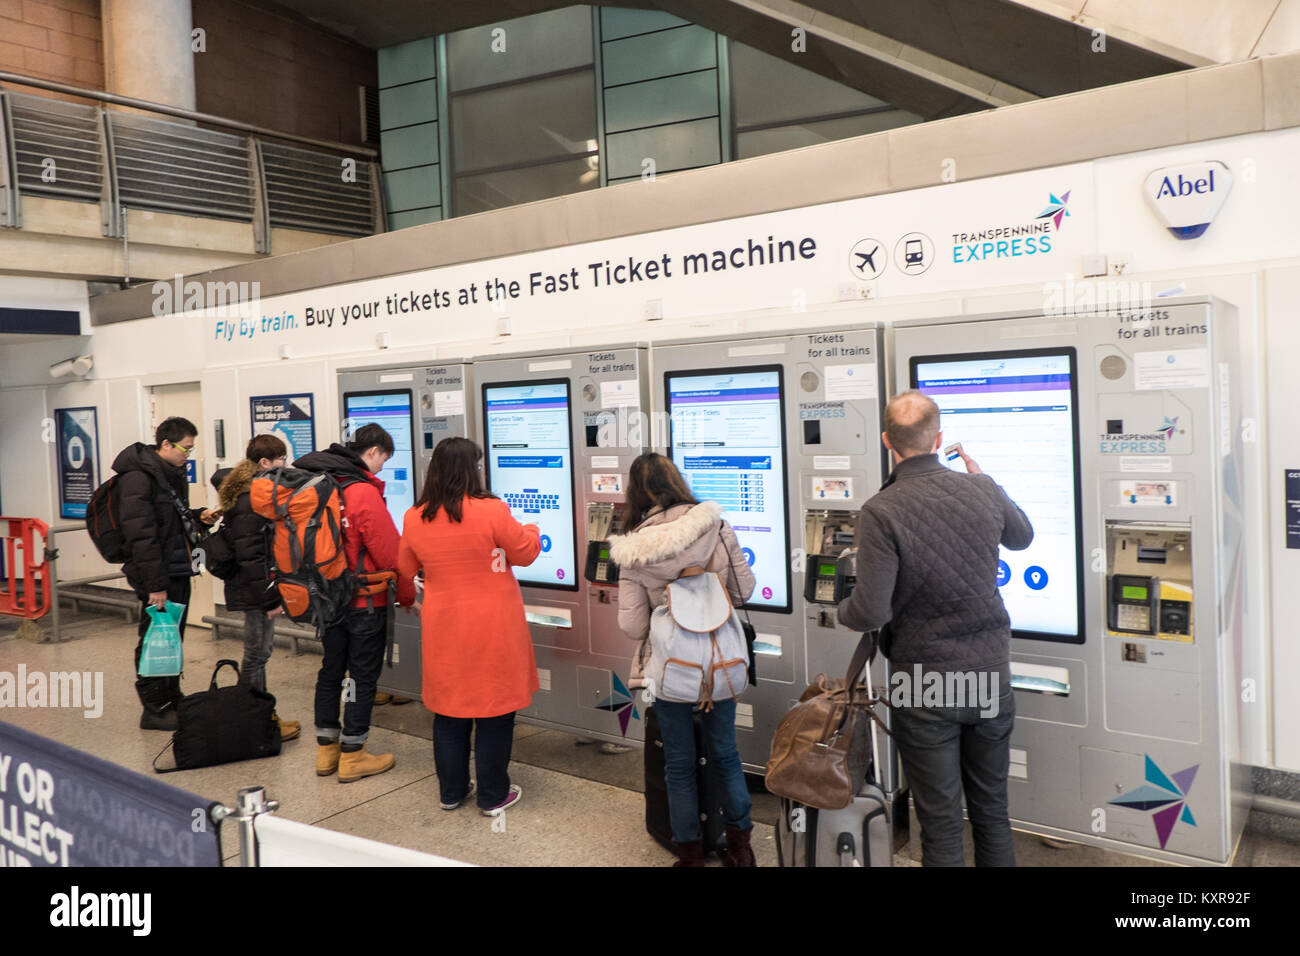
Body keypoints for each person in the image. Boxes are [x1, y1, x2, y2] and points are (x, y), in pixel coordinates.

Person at [837, 389, 1034, 867]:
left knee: (940, 819)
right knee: (991, 810)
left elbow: (871, 612)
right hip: (988, 672)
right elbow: (1022, 535)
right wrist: (983, 478)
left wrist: (843, 607)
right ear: (939, 437)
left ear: (888, 441)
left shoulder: (881, 511)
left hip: (922, 681)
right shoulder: (981, 489)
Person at [607, 452, 757, 867]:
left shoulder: (633, 549)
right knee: (726, 753)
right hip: (718, 661)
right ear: (677, 481)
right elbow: (745, 587)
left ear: (637, 492)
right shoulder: (716, 525)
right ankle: (740, 848)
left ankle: (689, 854)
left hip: (670, 669)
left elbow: (633, 627)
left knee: (678, 763)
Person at [397, 437, 540, 816]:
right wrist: (531, 526)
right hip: (494, 627)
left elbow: (406, 569)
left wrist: (411, 598)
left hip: (444, 628)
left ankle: (452, 792)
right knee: (495, 711)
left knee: (449, 711)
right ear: (472, 469)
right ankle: (493, 796)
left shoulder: (415, 516)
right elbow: (524, 553)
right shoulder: (491, 509)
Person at [296, 425, 415, 783]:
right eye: (384, 460)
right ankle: (353, 753)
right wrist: (407, 593)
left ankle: (326, 751)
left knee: (331, 670)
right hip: (363, 599)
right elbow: (389, 552)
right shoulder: (361, 490)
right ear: (374, 451)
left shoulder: (321, 482)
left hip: (326, 597)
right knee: (362, 676)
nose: (382, 468)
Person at [112, 417, 218, 730]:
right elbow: (141, 537)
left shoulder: (169, 474)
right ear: (166, 444)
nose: (189, 454)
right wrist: (156, 586)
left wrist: (199, 517)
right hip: (157, 575)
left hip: (176, 568)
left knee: (171, 637)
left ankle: (172, 696)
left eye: (192, 448)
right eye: (185, 448)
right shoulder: (138, 479)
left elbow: (171, 522)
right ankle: (154, 708)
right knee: (155, 639)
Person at [209, 434, 300, 741]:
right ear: (264, 463)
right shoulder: (249, 500)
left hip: (254, 587)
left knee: (259, 652)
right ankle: (255, 719)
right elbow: (252, 557)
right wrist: (271, 598)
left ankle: (260, 714)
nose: (284, 465)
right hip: (255, 589)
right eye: (280, 459)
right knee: (256, 654)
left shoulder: (250, 493)